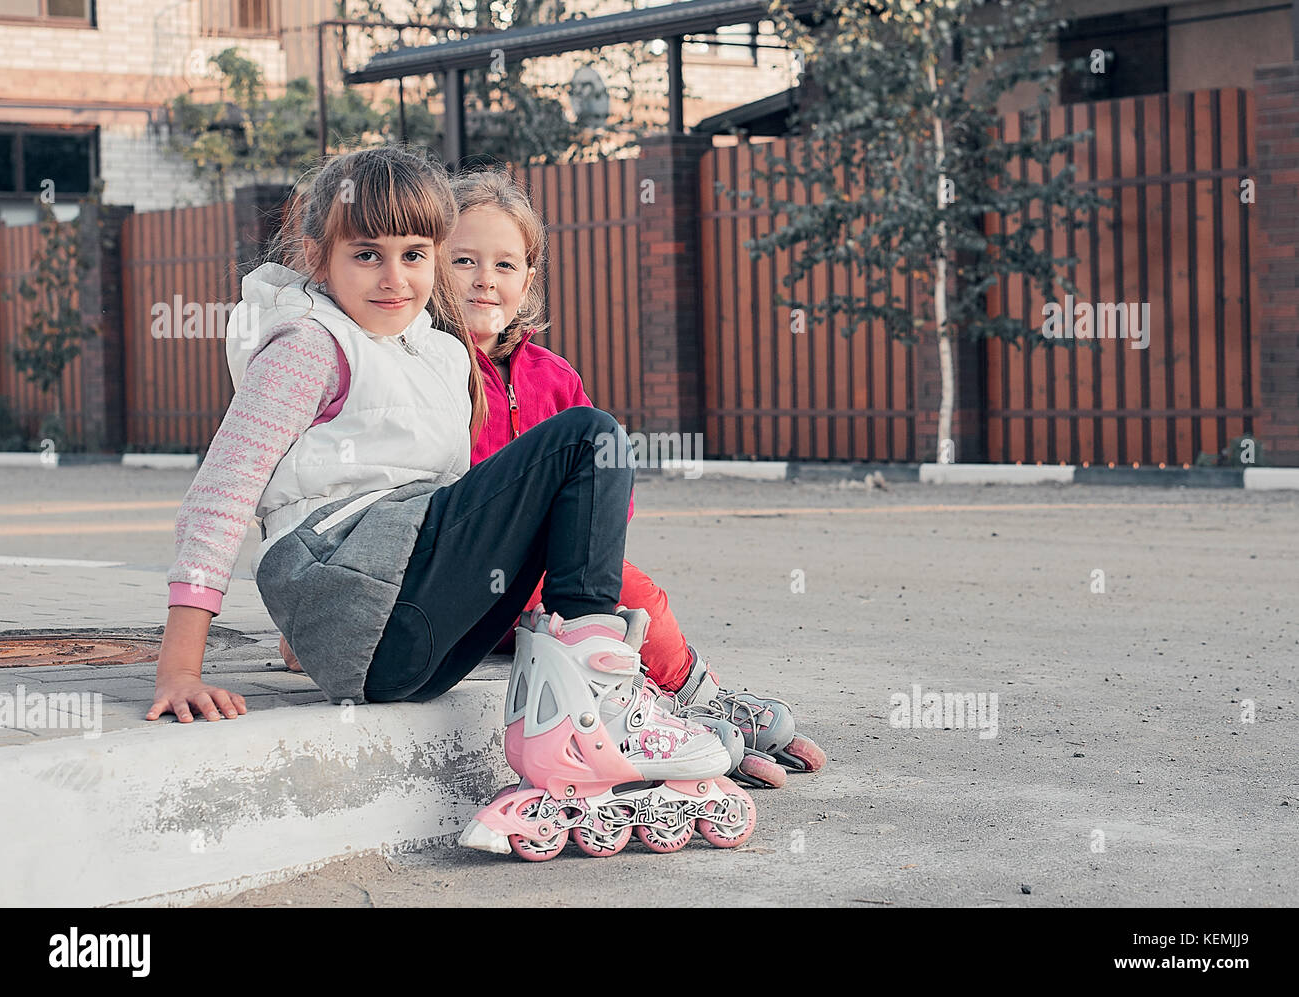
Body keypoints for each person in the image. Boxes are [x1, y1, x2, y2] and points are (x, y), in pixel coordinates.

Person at [145, 145, 753, 860]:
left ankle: (585, 703)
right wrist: (180, 668)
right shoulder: (310, 344)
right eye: (366, 255)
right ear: (317, 256)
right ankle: (589, 708)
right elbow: (223, 490)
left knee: (576, 479)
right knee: (588, 437)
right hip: (360, 595)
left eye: (414, 254)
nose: (394, 278)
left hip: (418, 640)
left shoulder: (437, 356)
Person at [445, 168, 827, 789]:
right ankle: (673, 720)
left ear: (529, 279)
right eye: (464, 260)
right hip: (470, 581)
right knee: (618, 602)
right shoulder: (433, 368)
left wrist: (579, 542)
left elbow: (604, 485)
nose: (485, 278)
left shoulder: (553, 375)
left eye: (505, 264)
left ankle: (699, 702)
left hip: (553, 575)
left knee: (636, 594)